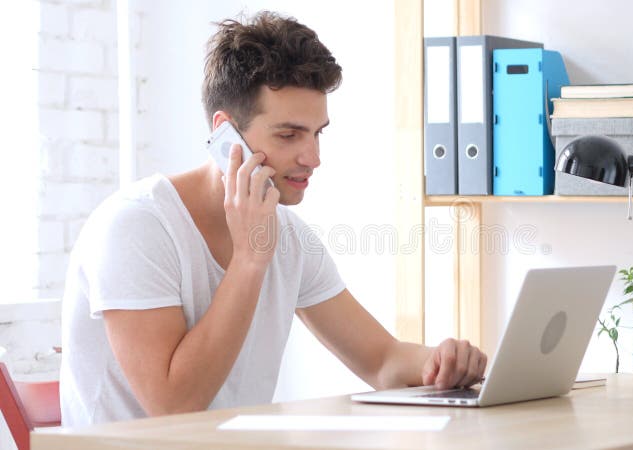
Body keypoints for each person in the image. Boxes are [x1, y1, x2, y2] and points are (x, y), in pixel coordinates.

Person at [59, 10, 487, 426]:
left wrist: (442, 362)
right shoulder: (134, 228)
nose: (312, 158)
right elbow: (174, 407)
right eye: (288, 135)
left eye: (317, 133)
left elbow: (382, 361)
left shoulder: (290, 238)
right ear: (225, 131)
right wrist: (250, 258)